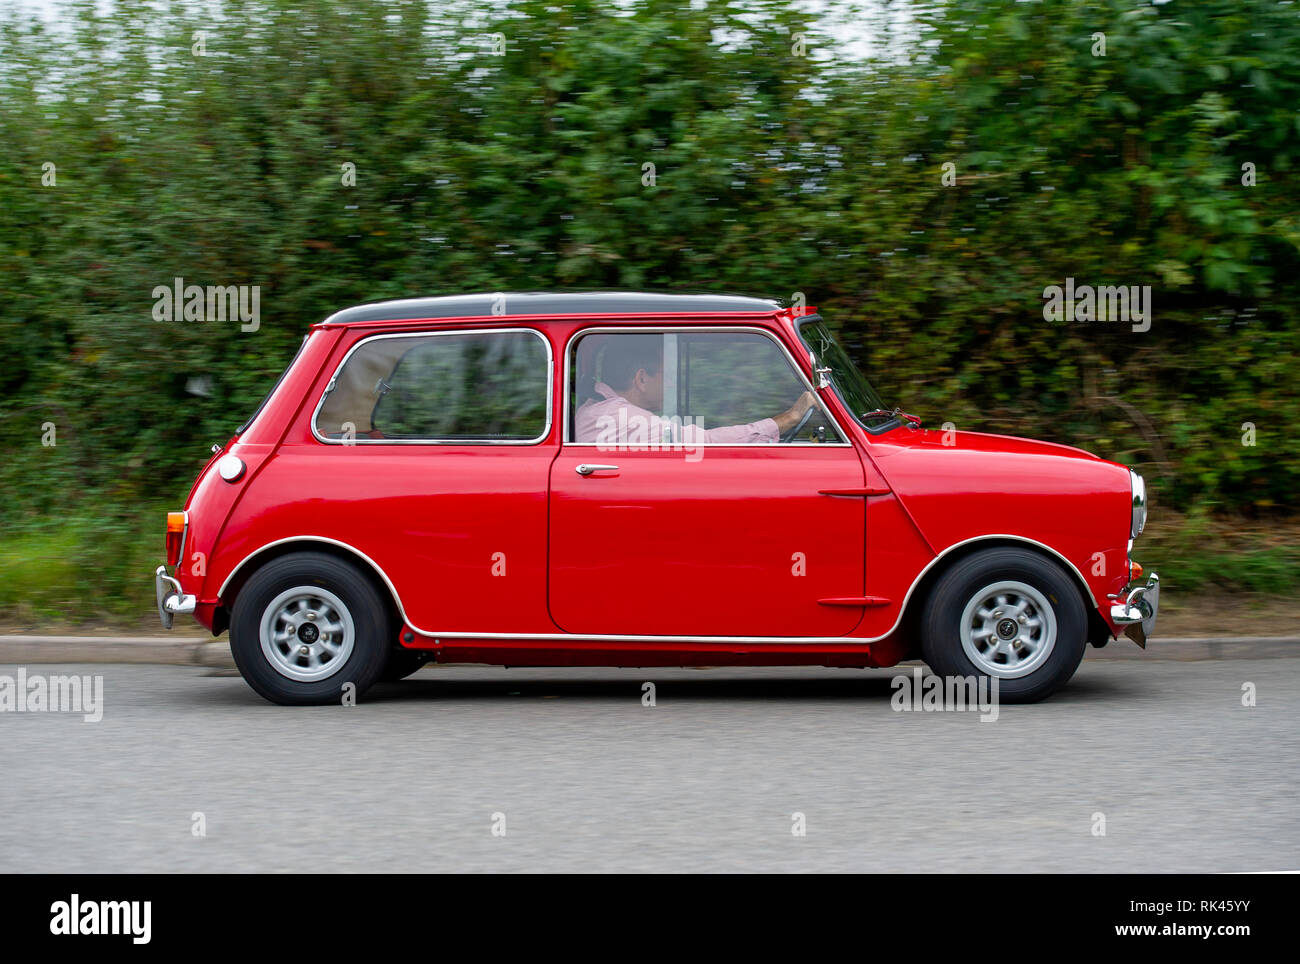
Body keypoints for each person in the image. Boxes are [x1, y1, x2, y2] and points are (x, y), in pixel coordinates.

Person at [574, 335, 816, 445]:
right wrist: (789, 418)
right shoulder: (624, 419)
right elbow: (708, 442)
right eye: (667, 376)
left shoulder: (601, 408)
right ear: (641, 379)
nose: (671, 385)